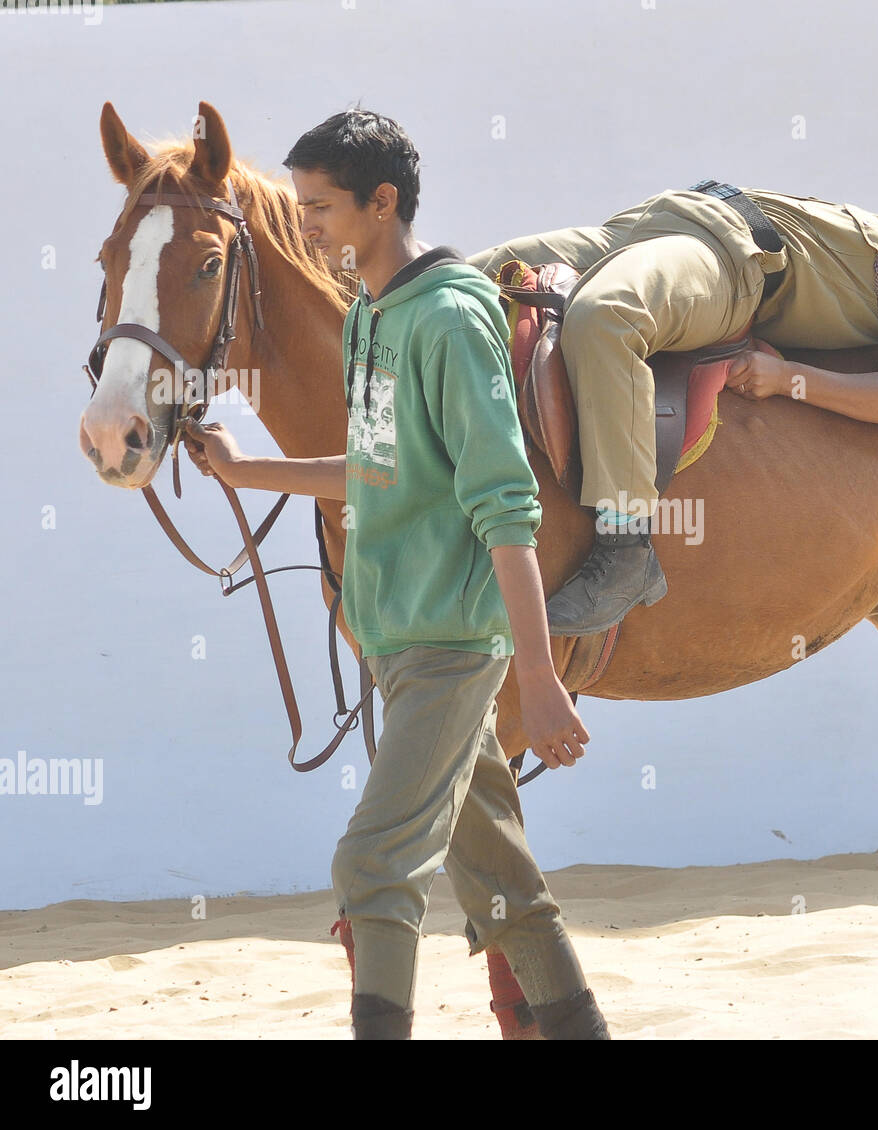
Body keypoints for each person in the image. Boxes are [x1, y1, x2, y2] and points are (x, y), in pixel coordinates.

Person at [181, 109, 608, 1040]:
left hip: (453, 648)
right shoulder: (374, 315)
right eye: (300, 207)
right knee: (499, 882)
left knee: (374, 867)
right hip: (399, 642)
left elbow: (506, 504)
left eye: (323, 208)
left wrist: (537, 677)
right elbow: (376, 470)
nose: (307, 228)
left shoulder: (450, 318)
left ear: (384, 204)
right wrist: (242, 468)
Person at [468, 180, 878, 637]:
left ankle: (624, 548)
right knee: (457, 287)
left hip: (727, 260)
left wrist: (789, 379)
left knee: (606, 315)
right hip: (661, 222)